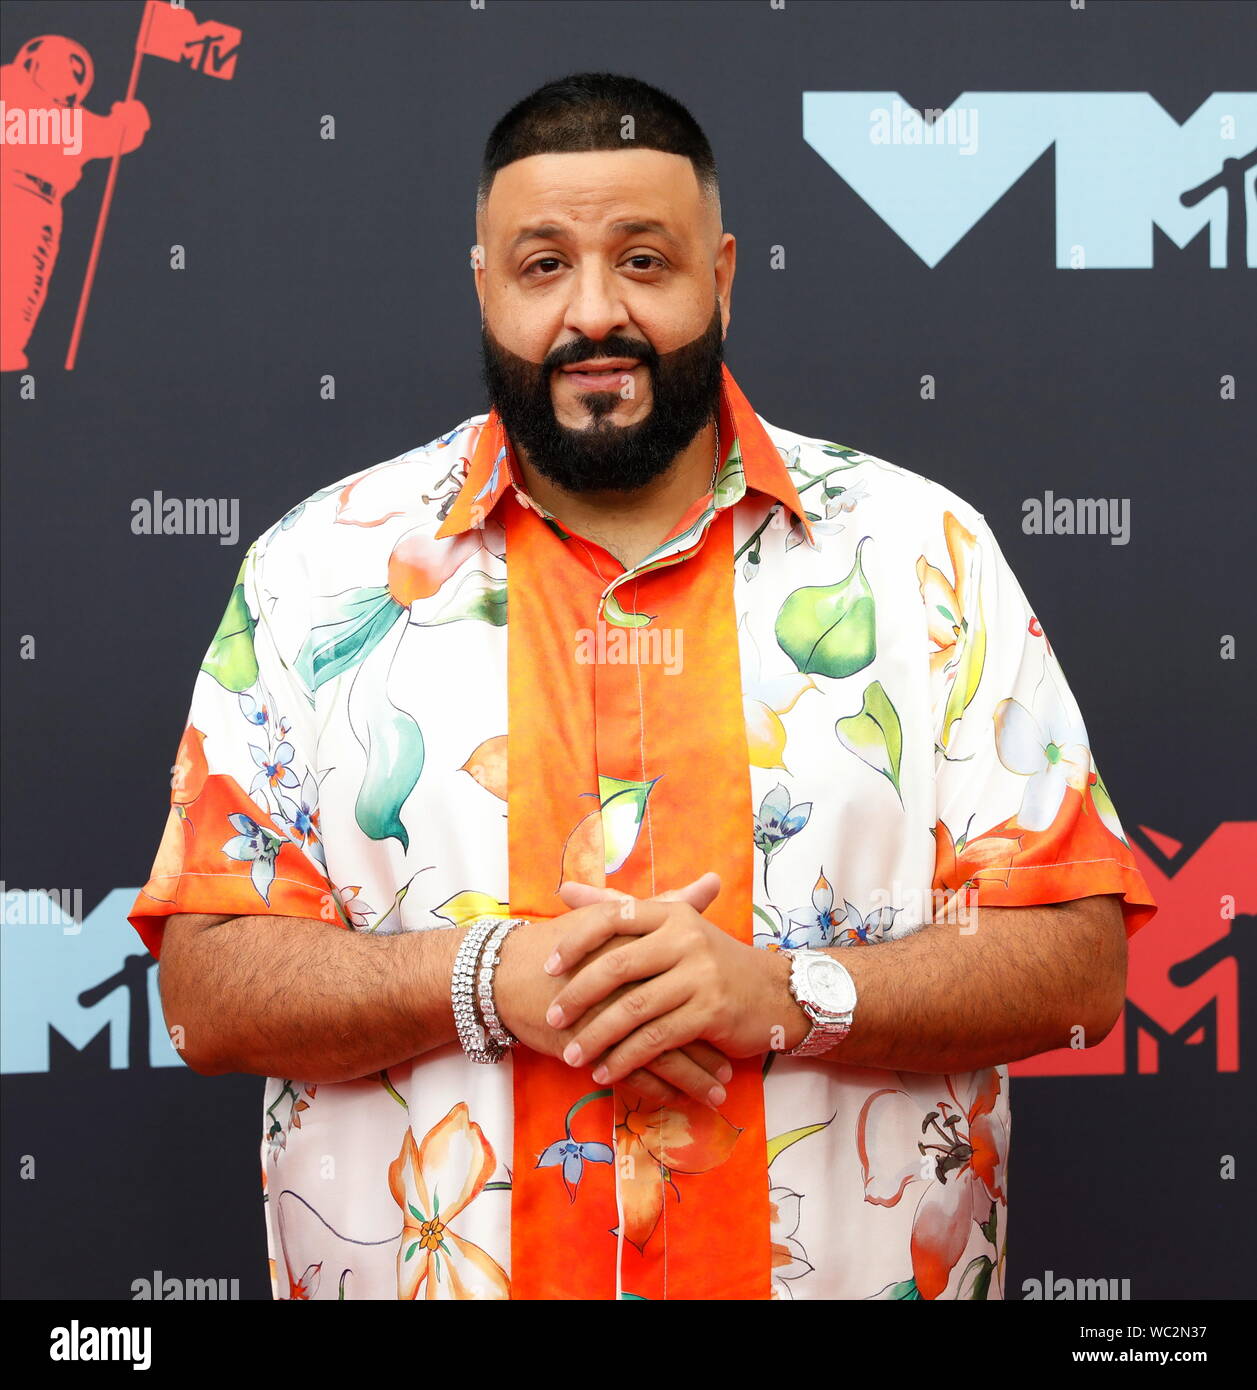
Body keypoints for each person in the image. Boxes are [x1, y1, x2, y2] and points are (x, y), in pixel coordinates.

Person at [128, 70, 1157, 1301]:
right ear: (484, 287)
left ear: (721, 278)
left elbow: (1079, 959)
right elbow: (208, 987)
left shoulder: (924, 554)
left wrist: (782, 992)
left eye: (645, 261)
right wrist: (489, 981)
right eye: (544, 264)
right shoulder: (317, 571)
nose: (594, 312)